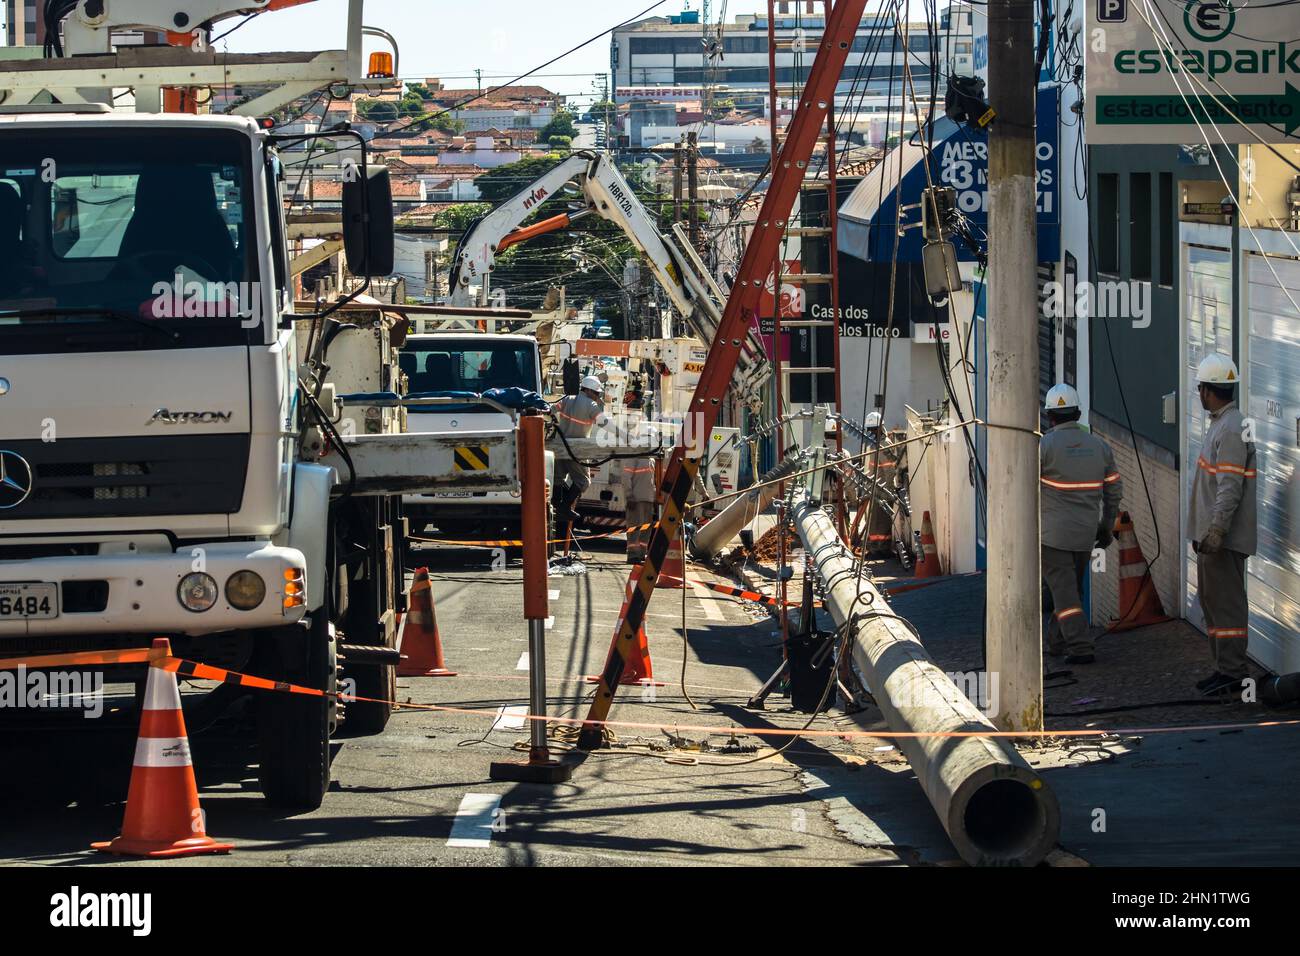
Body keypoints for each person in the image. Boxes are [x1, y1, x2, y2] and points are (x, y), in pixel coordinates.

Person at [1187, 353, 1257, 696]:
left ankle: (1232, 673)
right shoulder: (1222, 424)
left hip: (1222, 541)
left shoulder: (1230, 429)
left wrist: (1216, 530)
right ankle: (1223, 668)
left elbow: (1230, 487)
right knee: (1214, 603)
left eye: (1201, 387)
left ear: (1207, 391)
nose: (1199, 393)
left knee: (1226, 605)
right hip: (1210, 538)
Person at [1039, 383, 1123, 664]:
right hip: (1086, 533)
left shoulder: (1043, 446)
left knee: (1064, 595)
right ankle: (1056, 642)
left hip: (1053, 536)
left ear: (1050, 416)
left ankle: (1080, 647)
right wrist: (1107, 525)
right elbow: (1113, 490)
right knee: (1068, 590)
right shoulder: (1100, 446)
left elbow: (1024, 489)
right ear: (1077, 413)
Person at [551, 375, 604, 527]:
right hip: (576, 450)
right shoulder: (591, 405)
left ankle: (555, 506)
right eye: (597, 393)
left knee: (557, 478)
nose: (598, 396)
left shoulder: (567, 399)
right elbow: (604, 423)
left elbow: (550, 410)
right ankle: (564, 507)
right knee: (583, 481)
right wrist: (623, 436)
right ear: (589, 391)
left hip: (559, 447)